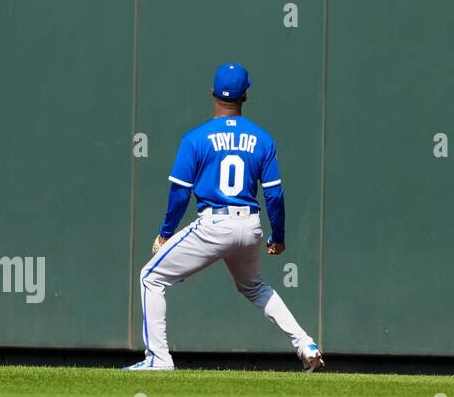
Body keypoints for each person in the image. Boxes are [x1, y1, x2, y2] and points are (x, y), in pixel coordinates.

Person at [125, 62, 323, 372]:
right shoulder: (262, 139)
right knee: (255, 287)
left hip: (214, 224)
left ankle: (158, 360)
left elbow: (179, 193)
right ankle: (305, 344)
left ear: (213, 93)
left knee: (151, 277)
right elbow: (274, 194)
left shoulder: (196, 138)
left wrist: (165, 233)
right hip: (250, 225)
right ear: (246, 95)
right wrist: (278, 236)